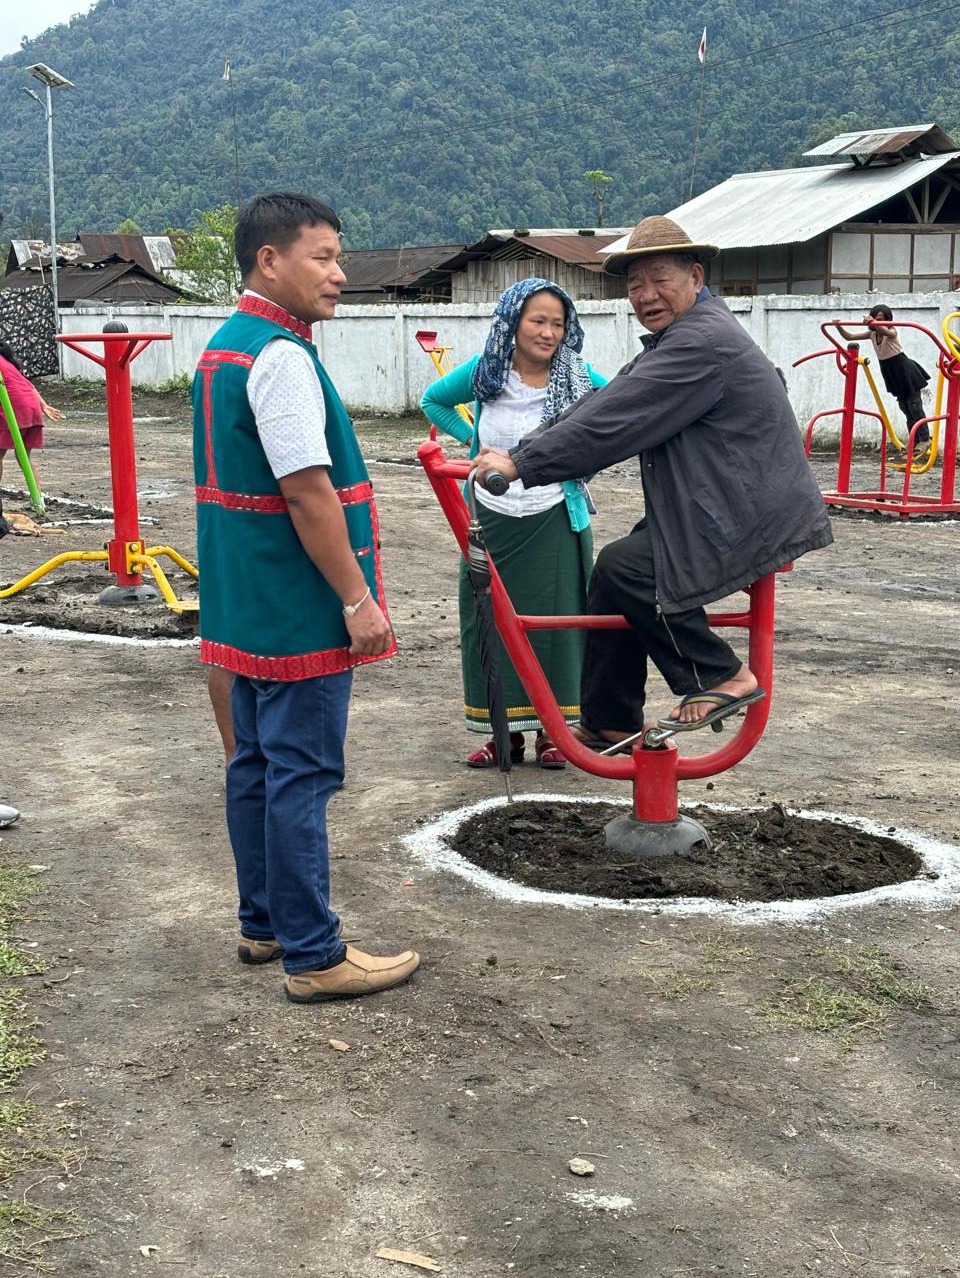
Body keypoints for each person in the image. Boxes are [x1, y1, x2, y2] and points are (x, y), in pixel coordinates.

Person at [472, 216, 833, 748]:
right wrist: (518, 452)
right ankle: (609, 718)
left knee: (632, 569)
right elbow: (602, 402)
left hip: (747, 512)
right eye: (635, 284)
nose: (646, 295)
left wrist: (523, 466)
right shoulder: (675, 340)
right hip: (716, 501)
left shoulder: (700, 342)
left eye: (660, 279)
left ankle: (720, 675)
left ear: (694, 275)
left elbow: (614, 423)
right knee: (615, 572)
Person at [193, 191, 419, 1002]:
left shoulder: (226, 345)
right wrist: (358, 600)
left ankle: (265, 923)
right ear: (270, 260)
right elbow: (307, 493)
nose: (340, 274)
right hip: (295, 607)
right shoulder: (281, 356)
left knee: (254, 762)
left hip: (242, 600)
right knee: (302, 772)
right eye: (322, 257)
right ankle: (315, 955)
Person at [421, 279, 606, 770]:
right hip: (488, 520)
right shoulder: (487, 374)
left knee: (559, 625)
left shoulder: (579, 377)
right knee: (487, 622)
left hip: (553, 517)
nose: (547, 332)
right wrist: (474, 442)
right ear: (513, 322)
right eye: (537, 320)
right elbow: (433, 400)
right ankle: (499, 731)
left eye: (557, 323)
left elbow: (620, 414)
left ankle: (554, 732)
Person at [839, 306, 931, 451]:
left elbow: (885, 331)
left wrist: (873, 322)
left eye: (880, 319)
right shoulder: (872, 334)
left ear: (888, 320)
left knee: (915, 406)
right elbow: (849, 337)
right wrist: (839, 326)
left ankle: (925, 439)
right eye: (874, 318)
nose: (876, 322)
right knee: (905, 408)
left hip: (904, 370)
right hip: (891, 372)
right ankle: (914, 441)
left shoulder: (892, 331)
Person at [0, 339, 62, 490]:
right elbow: (29, 385)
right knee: (24, 458)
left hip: (16, 409)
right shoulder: (8, 363)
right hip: (32, 408)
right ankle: (38, 499)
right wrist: (44, 406)